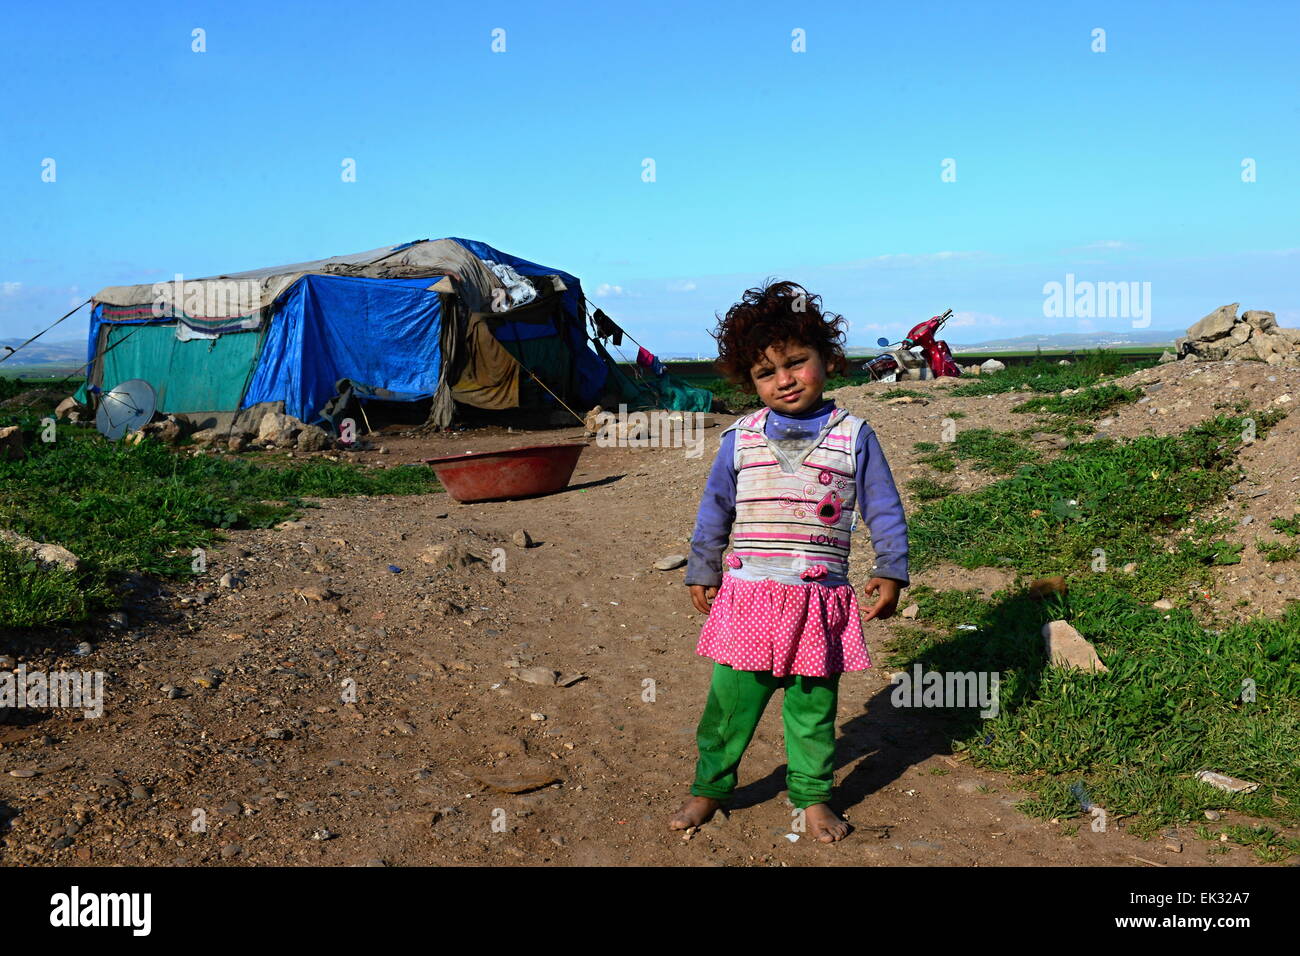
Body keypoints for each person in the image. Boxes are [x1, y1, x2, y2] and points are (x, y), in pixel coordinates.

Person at [668, 279, 910, 843]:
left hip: (819, 601)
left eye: (797, 363)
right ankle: (709, 789)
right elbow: (715, 511)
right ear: (748, 381)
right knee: (729, 708)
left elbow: (883, 507)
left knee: (812, 713)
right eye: (764, 373)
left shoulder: (855, 436)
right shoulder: (740, 437)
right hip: (748, 597)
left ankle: (812, 798)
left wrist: (891, 567)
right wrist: (702, 566)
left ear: (828, 360)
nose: (783, 380)